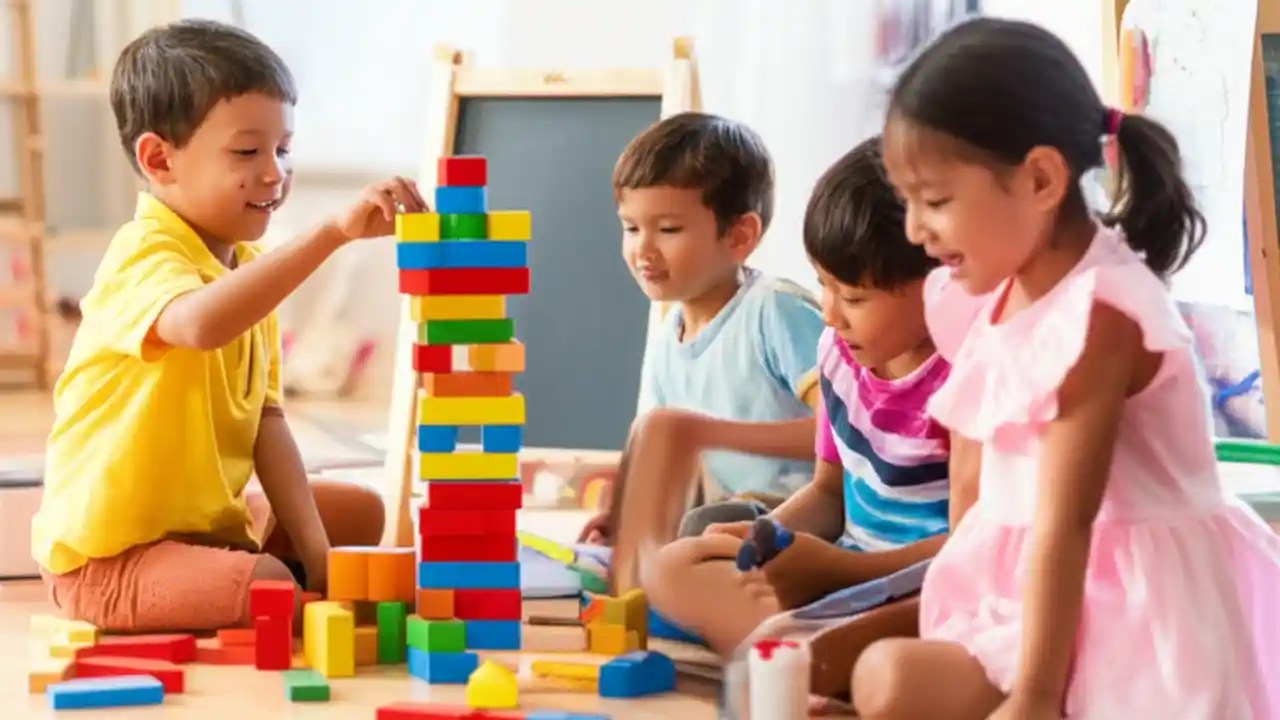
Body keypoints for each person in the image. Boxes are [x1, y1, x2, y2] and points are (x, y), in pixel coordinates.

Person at [852, 18, 1280, 720]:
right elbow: (976, 476)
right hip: (1031, 597)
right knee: (879, 677)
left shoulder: (1098, 318)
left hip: (1128, 617)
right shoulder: (1001, 290)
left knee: (892, 681)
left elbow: (1065, 523)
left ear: (1042, 179)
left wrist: (1034, 697)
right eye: (907, 202)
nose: (912, 231)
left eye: (934, 202)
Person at [30, 19, 427, 632]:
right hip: (108, 561)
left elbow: (269, 426)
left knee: (357, 515)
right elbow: (198, 325)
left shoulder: (248, 270)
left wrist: (322, 559)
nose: (274, 173)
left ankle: (269, 579)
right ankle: (266, 588)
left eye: (283, 149)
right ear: (160, 159)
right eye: (247, 151)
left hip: (202, 528)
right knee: (269, 587)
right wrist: (330, 233)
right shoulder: (143, 254)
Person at [628, 136, 960, 659]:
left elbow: (967, 549)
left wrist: (834, 570)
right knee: (672, 566)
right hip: (844, 566)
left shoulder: (962, 381)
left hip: (919, 589)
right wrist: (766, 538)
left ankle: (794, 650)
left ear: (940, 282)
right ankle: (790, 645)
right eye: (823, 285)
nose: (829, 314)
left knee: (827, 650)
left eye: (852, 297)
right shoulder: (838, 355)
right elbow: (830, 494)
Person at [578, 112, 825, 543]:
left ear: (739, 236)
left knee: (694, 537)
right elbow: (657, 456)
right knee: (640, 539)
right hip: (720, 516)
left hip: (798, 515)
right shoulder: (666, 342)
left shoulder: (774, 311)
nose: (643, 250)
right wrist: (618, 513)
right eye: (631, 228)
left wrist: (708, 433)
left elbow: (846, 431)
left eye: (668, 229)